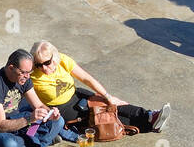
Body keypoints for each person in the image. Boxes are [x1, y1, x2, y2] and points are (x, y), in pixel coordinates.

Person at [28, 39, 169, 133]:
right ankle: (148, 125)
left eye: (47, 63)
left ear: (54, 56)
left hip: (77, 94)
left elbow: (86, 78)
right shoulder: (32, 76)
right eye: (39, 65)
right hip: (62, 108)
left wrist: (107, 96)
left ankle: (150, 115)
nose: (44, 68)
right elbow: (32, 100)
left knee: (111, 103)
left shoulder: (62, 60)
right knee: (101, 117)